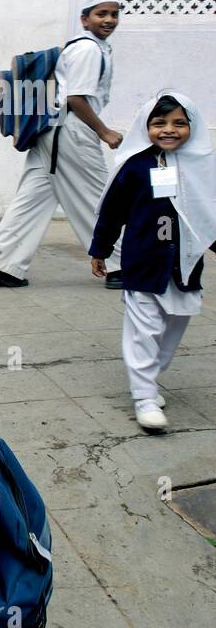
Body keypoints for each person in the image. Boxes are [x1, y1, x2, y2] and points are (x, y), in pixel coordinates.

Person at [0, 0, 125, 289]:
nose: (109, 20)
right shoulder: (88, 50)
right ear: (85, 19)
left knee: (32, 198)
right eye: (101, 14)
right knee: (98, 196)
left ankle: (2, 265)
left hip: (51, 132)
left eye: (113, 14)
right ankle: (119, 265)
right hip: (71, 132)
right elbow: (76, 99)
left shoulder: (89, 47)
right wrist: (104, 132)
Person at [89, 92, 216, 432]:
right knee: (143, 333)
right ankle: (144, 396)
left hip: (185, 269)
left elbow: (209, 217)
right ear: (145, 128)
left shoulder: (203, 167)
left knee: (171, 332)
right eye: (159, 123)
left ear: (193, 127)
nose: (169, 130)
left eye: (179, 123)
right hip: (143, 265)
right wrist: (100, 249)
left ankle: (148, 380)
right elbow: (112, 211)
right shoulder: (136, 166)